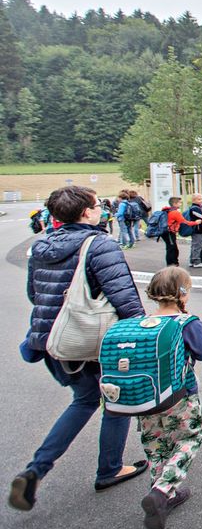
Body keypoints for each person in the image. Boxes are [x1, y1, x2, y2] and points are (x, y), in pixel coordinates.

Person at [10, 185, 149, 512]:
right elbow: (125, 298)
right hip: (92, 340)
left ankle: (37, 469)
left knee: (84, 400)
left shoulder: (41, 243)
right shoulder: (100, 244)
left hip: (52, 341)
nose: (100, 208)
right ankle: (110, 468)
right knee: (116, 399)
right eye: (96, 204)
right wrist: (141, 332)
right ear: (87, 212)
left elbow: (35, 294)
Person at [136, 267, 202, 529]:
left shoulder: (144, 323)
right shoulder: (186, 322)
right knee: (190, 437)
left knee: (156, 444)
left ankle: (161, 493)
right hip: (181, 395)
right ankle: (162, 491)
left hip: (147, 399)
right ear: (183, 294)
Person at [159, 196, 190, 267]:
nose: (180, 204)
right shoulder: (175, 212)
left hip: (166, 232)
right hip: (170, 232)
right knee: (172, 248)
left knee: (171, 248)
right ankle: (172, 264)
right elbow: (184, 221)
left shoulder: (167, 210)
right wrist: (195, 223)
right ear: (174, 203)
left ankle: (173, 263)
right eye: (179, 203)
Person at [185, 194, 202, 268]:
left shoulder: (197, 207)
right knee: (197, 245)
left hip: (197, 229)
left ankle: (192, 261)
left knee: (195, 245)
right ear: (194, 200)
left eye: (201, 199)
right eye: (199, 199)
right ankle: (196, 261)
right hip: (197, 229)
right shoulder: (195, 208)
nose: (201, 201)